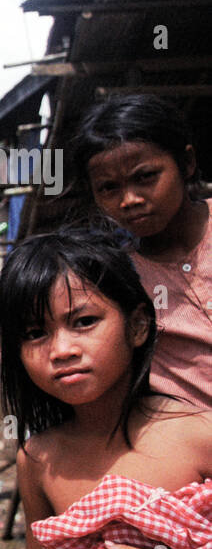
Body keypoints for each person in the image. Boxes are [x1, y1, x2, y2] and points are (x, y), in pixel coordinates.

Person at [0, 228, 212, 549]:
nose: (61, 349)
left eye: (84, 321)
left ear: (138, 325)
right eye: (34, 333)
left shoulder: (196, 436)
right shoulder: (39, 456)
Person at [72, 94, 212, 408]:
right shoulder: (119, 282)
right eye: (109, 188)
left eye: (145, 177)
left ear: (186, 163)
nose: (129, 199)